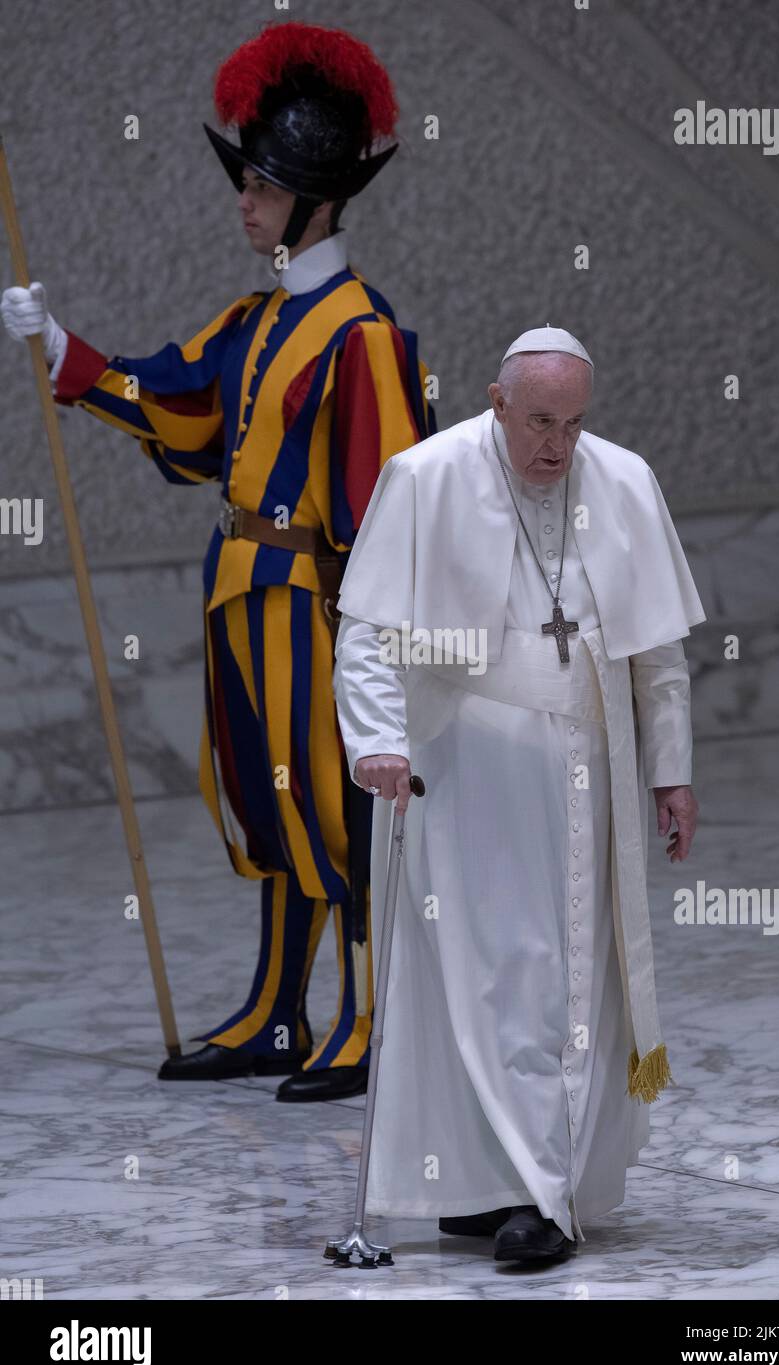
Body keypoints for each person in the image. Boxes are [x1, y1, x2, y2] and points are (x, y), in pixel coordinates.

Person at [1, 20, 435, 1101]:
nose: (243, 199)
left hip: (317, 605)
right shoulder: (260, 315)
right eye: (245, 179)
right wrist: (60, 350)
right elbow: (182, 403)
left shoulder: (361, 334)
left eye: (263, 183)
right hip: (242, 594)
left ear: (318, 200)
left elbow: (394, 502)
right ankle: (275, 1011)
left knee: (337, 809)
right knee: (265, 795)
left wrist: (379, 639)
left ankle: (367, 1015)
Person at [332, 327, 706, 1260]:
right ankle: (489, 1181)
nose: (556, 446)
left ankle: (545, 1196)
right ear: (496, 402)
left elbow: (657, 654)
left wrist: (672, 771)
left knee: (564, 976)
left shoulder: (621, 478)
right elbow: (368, 632)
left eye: (573, 425)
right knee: (487, 974)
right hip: (464, 770)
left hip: (592, 766)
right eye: (539, 421)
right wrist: (375, 742)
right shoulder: (425, 477)